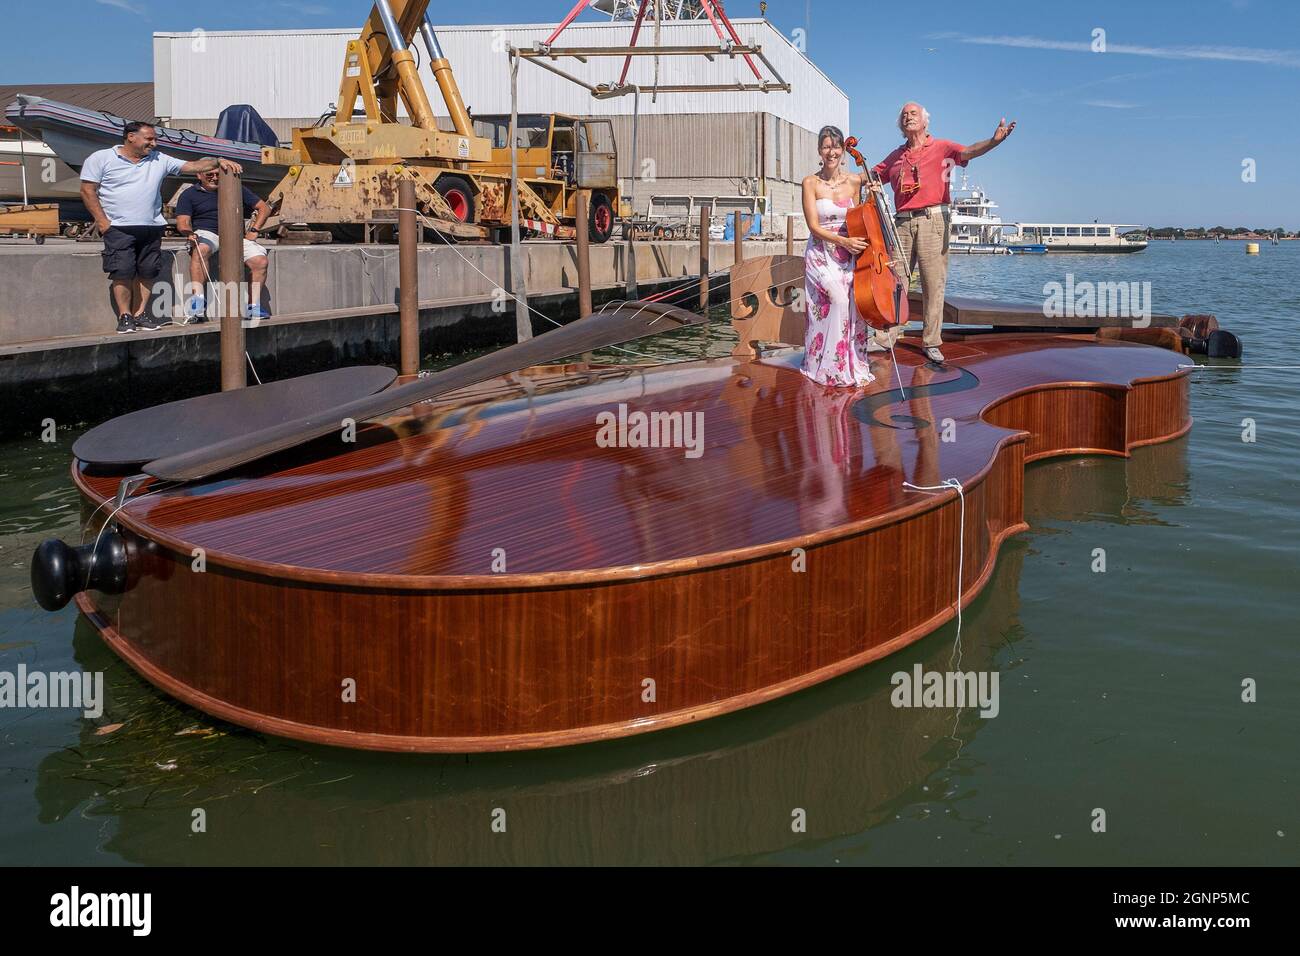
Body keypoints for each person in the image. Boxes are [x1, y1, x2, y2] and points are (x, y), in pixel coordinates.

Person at [872, 102, 1015, 363]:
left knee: (932, 283)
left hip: (933, 219)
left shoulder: (942, 147)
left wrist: (994, 141)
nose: (908, 117)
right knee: (894, 282)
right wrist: (834, 178)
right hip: (901, 222)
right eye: (904, 115)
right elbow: (870, 177)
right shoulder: (895, 156)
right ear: (900, 126)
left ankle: (931, 341)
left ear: (925, 122)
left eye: (913, 113)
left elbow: (970, 151)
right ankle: (886, 338)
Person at [80, 121, 243, 334]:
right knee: (122, 271)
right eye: (149, 139)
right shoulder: (101, 158)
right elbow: (87, 190)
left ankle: (140, 314)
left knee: (148, 272)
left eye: (154, 139)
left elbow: (192, 166)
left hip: (151, 226)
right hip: (119, 226)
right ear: (131, 137)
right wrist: (102, 222)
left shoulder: (160, 159)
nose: (154, 143)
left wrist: (218, 160)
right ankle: (125, 316)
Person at [799, 125, 876, 388]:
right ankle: (826, 366)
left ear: (844, 150)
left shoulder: (855, 181)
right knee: (840, 300)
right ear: (819, 151)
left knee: (855, 303)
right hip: (821, 252)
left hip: (849, 254)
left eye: (836, 146)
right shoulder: (810, 182)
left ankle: (851, 363)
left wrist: (873, 193)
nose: (831, 152)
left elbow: (863, 215)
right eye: (826, 146)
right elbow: (813, 227)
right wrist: (843, 240)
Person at [175, 170, 272, 322]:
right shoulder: (189, 194)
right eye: (209, 175)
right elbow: (182, 221)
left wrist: (254, 230)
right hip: (207, 233)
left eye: (218, 175)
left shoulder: (236, 188)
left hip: (235, 236)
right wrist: (188, 233)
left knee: (260, 261)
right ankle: (198, 300)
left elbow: (264, 208)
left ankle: (253, 306)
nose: (214, 178)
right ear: (199, 175)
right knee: (201, 249)